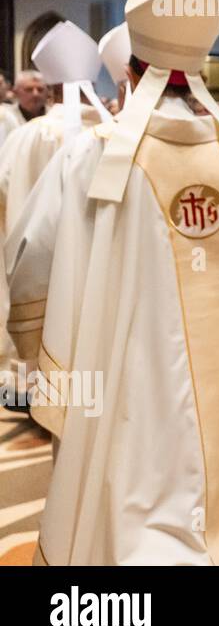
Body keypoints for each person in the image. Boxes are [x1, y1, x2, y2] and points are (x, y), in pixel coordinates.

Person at [8, 0, 219, 564]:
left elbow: (28, 258)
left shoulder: (94, 159)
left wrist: (43, 357)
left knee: (123, 495)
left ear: (133, 69)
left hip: (121, 386)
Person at [0, 23, 112, 401]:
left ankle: (37, 394)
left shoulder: (25, 136)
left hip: (34, 265)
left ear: (50, 89)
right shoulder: (118, 135)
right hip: (96, 265)